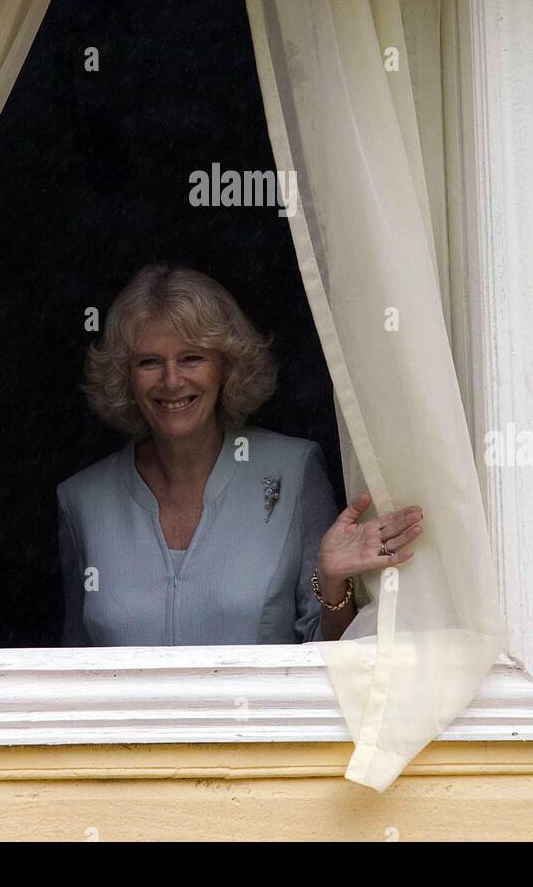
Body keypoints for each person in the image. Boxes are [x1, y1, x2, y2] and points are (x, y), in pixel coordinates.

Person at [57, 264, 423, 646]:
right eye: (149, 362)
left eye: (192, 358)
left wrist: (331, 582)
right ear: (125, 376)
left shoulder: (292, 471)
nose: (171, 380)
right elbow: (74, 663)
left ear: (226, 367)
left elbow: (328, 657)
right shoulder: (82, 499)